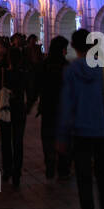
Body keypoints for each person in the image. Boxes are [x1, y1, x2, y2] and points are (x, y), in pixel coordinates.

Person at [57, 29, 104, 209]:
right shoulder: (103, 69)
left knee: (83, 179)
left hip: (80, 133)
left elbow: (67, 106)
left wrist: (62, 136)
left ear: (73, 46)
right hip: (102, 131)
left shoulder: (71, 71)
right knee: (103, 175)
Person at [37, 36, 70, 179]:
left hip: (47, 107)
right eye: (65, 49)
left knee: (47, 137)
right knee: (63, 137)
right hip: (62, 108)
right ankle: (63, 168)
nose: (66, 51)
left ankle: (50, 165)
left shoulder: (45, 64)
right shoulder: (66, 66)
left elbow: (38, 85)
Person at [0, 46, 28, 188]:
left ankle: (7, 169)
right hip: (19, 110)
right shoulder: (24, 74)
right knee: (18, 142)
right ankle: (17, 174)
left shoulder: (3, 73)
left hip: (5, 110)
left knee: (6, 141)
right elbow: (30, 92)